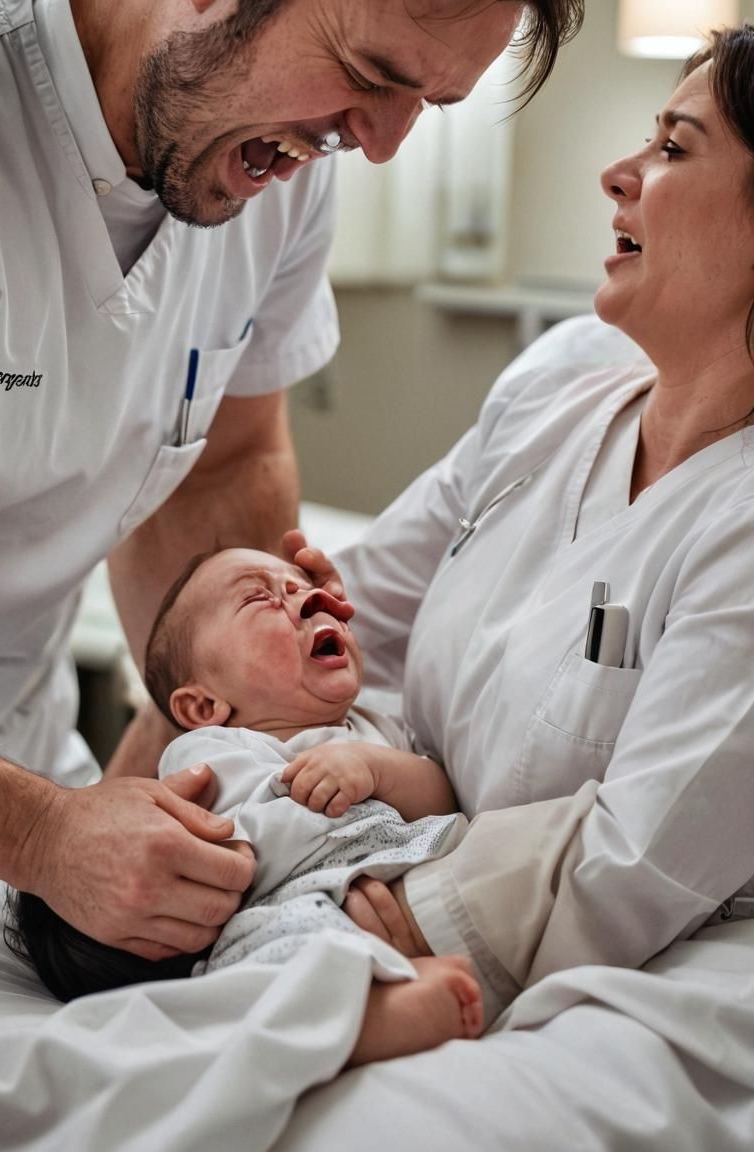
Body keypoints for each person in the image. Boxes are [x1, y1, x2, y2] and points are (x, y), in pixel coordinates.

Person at [0, 0, 583, 960]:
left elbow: (223, 469)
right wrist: (39, 834)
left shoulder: (271, 166)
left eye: (427, 105)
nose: (379, 147)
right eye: (371, 74)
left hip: (27, 801)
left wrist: (191, 793)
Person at [288, 24, 754, 1041]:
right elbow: (355, 621)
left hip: (567, 992)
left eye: (672, 149)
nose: (616, 173)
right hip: (352, 878)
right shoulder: (553, 411)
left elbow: (639, 856)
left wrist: (403, 906)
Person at [6, 546, 484, 1066]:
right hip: (296, 896)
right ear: (205, 706)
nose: (306, 595)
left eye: (302, 585)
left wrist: (373, 767)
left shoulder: (374, 728)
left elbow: (439, 796)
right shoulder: (211, 754)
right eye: (260, 597)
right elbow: (230, 853)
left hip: (418, 873)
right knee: (266, 949)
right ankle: (369, 1020)